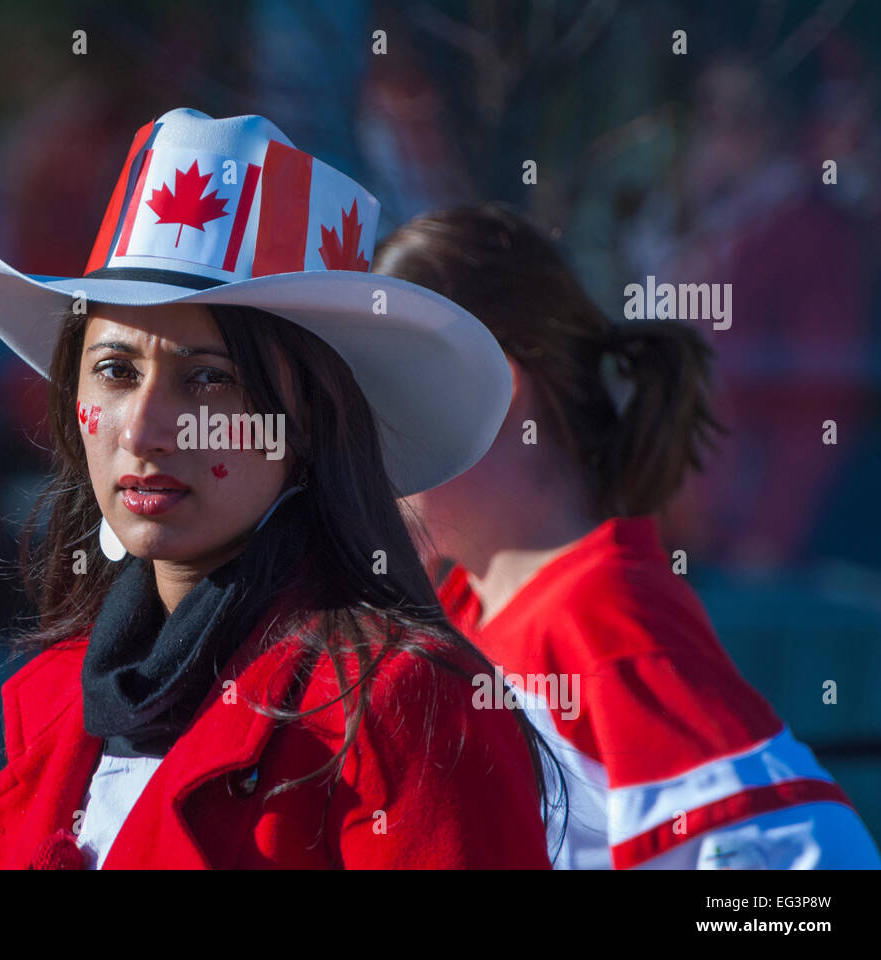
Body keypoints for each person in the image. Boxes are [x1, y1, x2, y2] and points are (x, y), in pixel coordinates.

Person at [0, 108, 557, 868]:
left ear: (306, 424)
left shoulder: (405, 705)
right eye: (115, 371)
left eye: (207, 379)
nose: (142, 430)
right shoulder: (57, 702)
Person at [374, 202, 881, 869]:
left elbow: (816, 875)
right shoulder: (466, 607)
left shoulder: (603, 624)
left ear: (493, 390)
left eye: (380, 393)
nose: (358, 442)